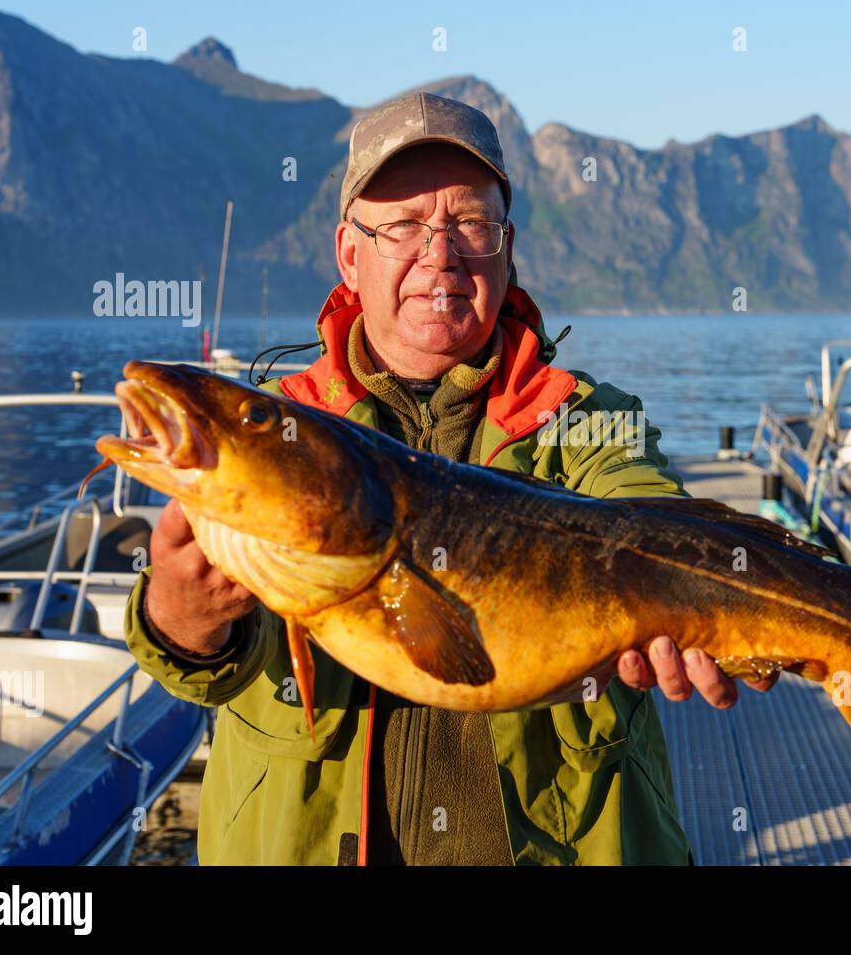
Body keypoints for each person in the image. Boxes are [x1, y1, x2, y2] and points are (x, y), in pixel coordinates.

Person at [123, 92, 777, 866]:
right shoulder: (280, 432)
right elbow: (213, 663)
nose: (440, 255)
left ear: (506, 247)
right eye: (402, 224)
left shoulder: (588, 418)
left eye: (469, 223)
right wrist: (178, 616)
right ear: (349, 252)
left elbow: (644, 505)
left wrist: (689, 601)